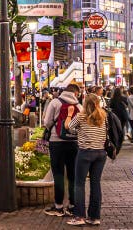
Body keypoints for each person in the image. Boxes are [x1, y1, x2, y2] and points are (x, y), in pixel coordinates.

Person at [65, 93, 109, 226]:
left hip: (85, 153)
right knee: (96, 184)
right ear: (97, 103)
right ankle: (94, 217)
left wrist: (69, 113)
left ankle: (79, 216)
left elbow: (68, 127)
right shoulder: (103, 116)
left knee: (79, 184)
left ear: (85, 104)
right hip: (101, 153)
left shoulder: (81, 116)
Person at [43, 83, 82, 217]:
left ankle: (58, 206)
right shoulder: (79, 106)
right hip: (73, 143)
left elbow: (47, 122)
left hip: (56, 142)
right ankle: (72, 205)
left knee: (58, 173)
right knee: (73, 174)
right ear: (75, 93)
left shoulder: (55, 102)